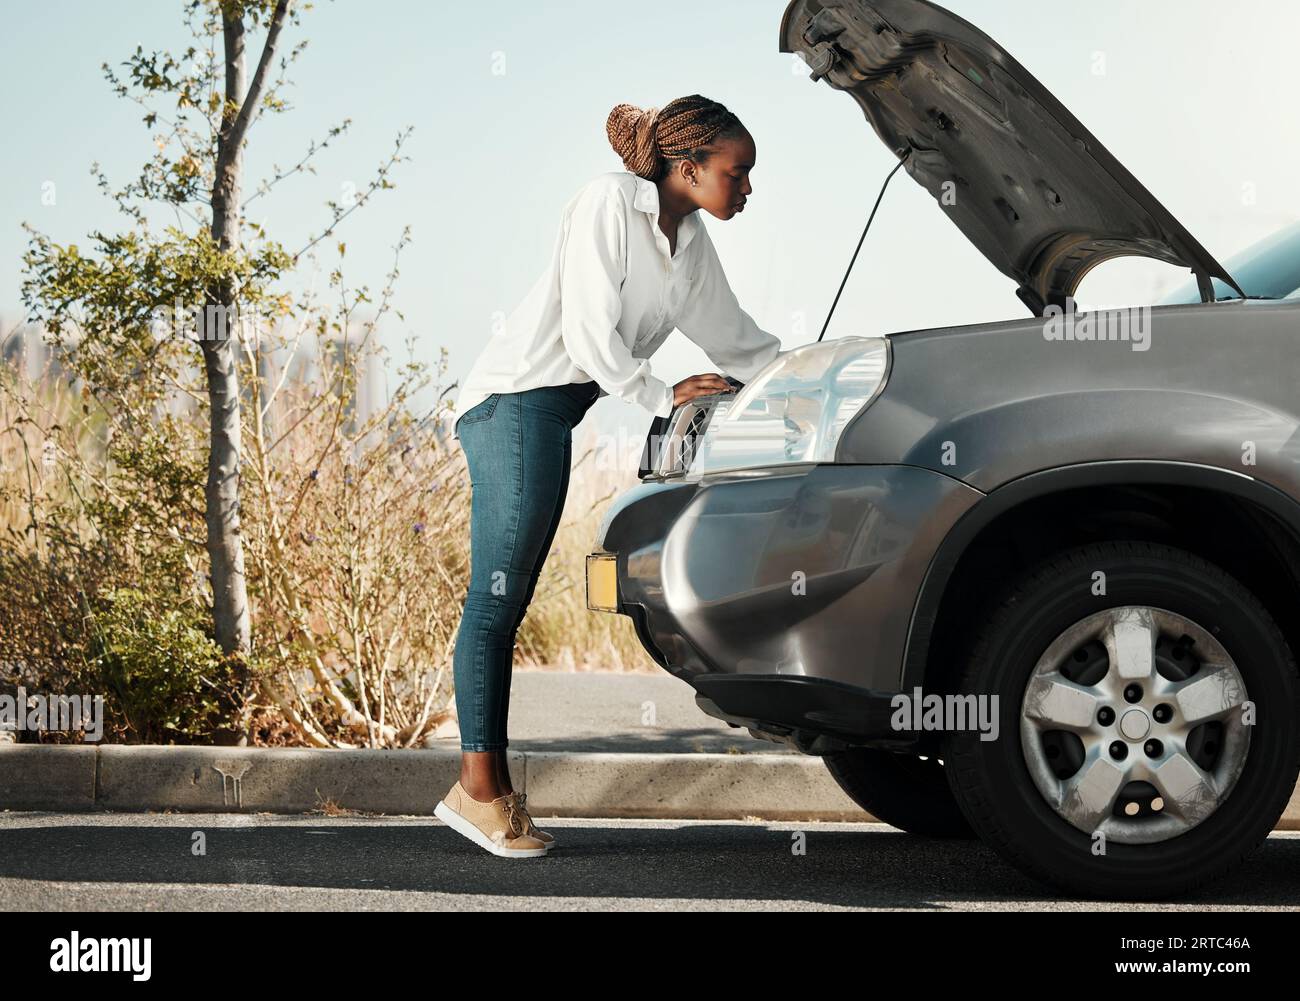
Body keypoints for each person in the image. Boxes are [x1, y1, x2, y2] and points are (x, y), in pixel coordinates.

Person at [435, 94, 784, 858]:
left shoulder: (687, 239)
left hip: (551, 413)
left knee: (507, 594)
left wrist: (808, 376)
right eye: (740, 171)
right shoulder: (604, 205)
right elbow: (591, 336)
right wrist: (663, 394)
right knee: (498, 595)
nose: (750, 187)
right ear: (688, 168)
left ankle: (482, 788)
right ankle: (479, 791)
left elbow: (739, 340)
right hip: (512, 401)